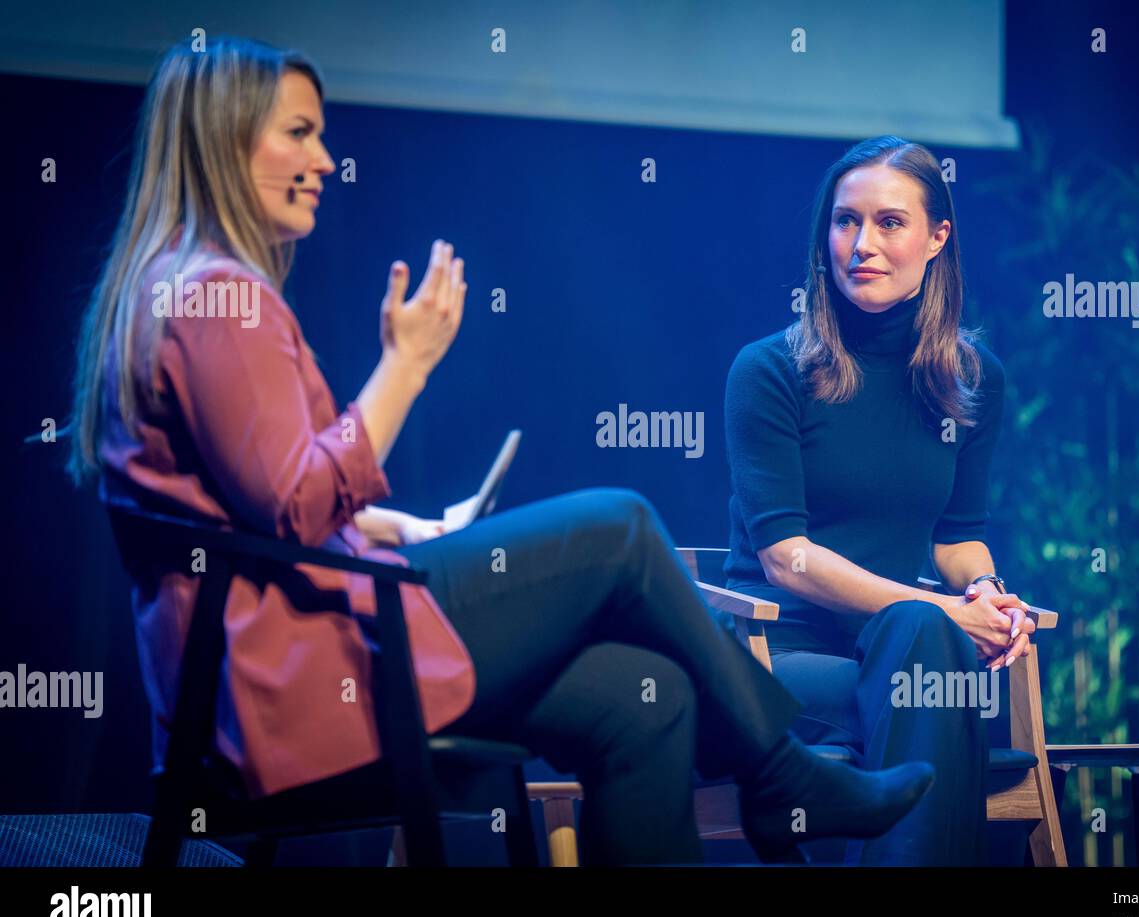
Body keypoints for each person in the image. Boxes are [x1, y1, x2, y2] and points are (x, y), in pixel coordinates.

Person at [64, 38, 934, 865]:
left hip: (282, 657)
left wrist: (393, 522)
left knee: (647, 702)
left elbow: (249, 498)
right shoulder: (222, 298)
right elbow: (289, 506)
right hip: (295, 672)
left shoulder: (174, 288)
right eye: (298, 132)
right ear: (222, 140)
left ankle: (777, 770)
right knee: (621, 528)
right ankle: (781, 770)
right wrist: (404, 367)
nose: (326, 158)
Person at [723, 136, 1036, 865]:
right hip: (780, 657)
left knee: (920, 647)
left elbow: (957, 538)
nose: (861, 243)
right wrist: (943, 612)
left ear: (936, 239)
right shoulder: (769, 371)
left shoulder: (970, 377)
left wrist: (988, 594)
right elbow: (787, 562)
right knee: (929, 656)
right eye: (845, 221)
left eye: (889, 222)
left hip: (898, 649)